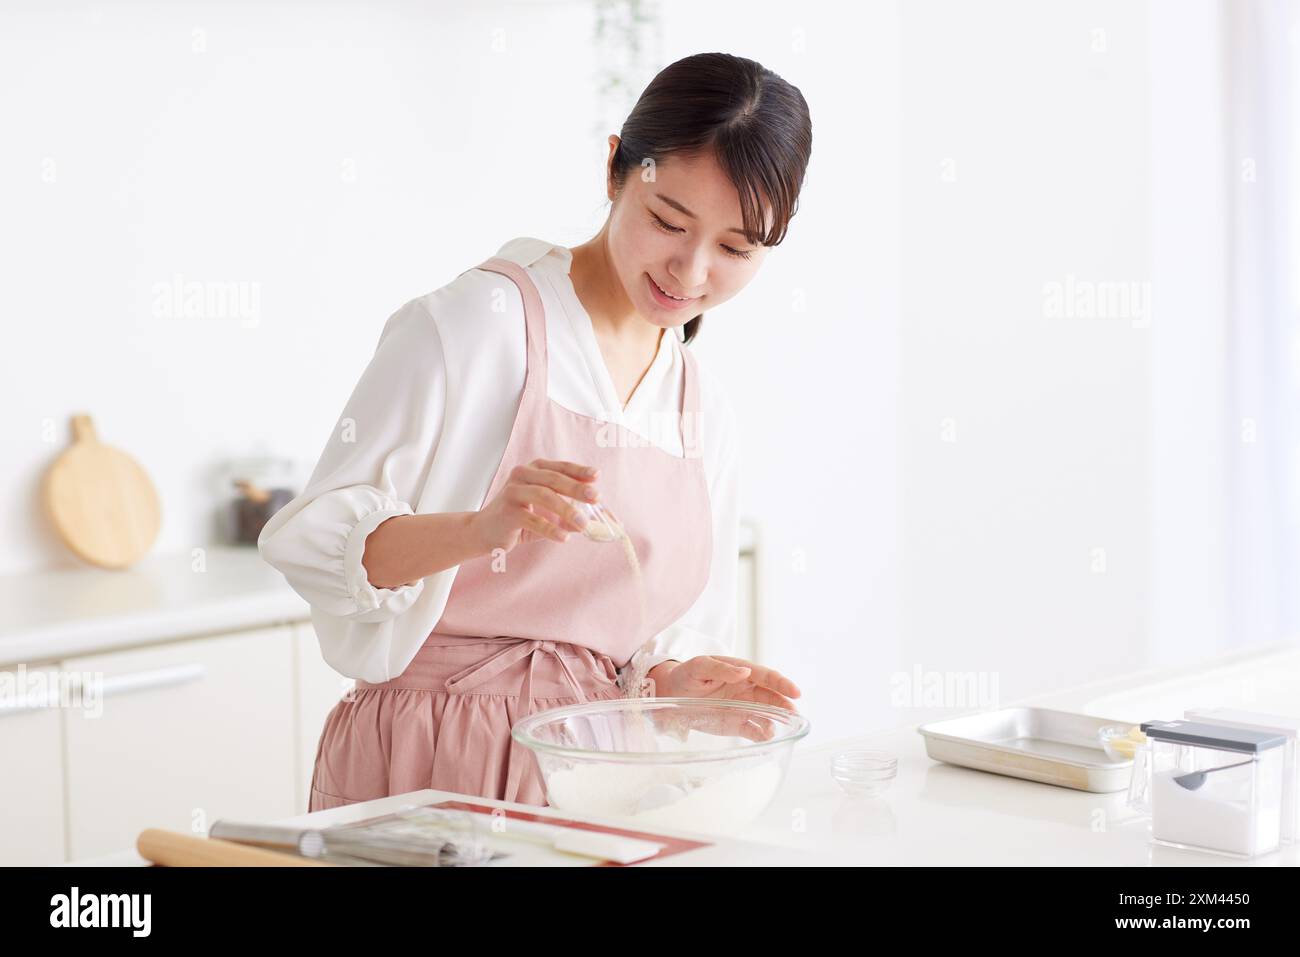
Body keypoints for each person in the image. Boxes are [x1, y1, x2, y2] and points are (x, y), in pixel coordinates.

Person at [258, 51, 812, 811]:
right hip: (432, 759)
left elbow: (649, 640)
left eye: (735, 248)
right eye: (667, 221)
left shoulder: (702, 414)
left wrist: (678, 683)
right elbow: (313, 543)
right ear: (616, 169)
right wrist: (480, 529)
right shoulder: (477, 326)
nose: (690, 272)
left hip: (599, 776)